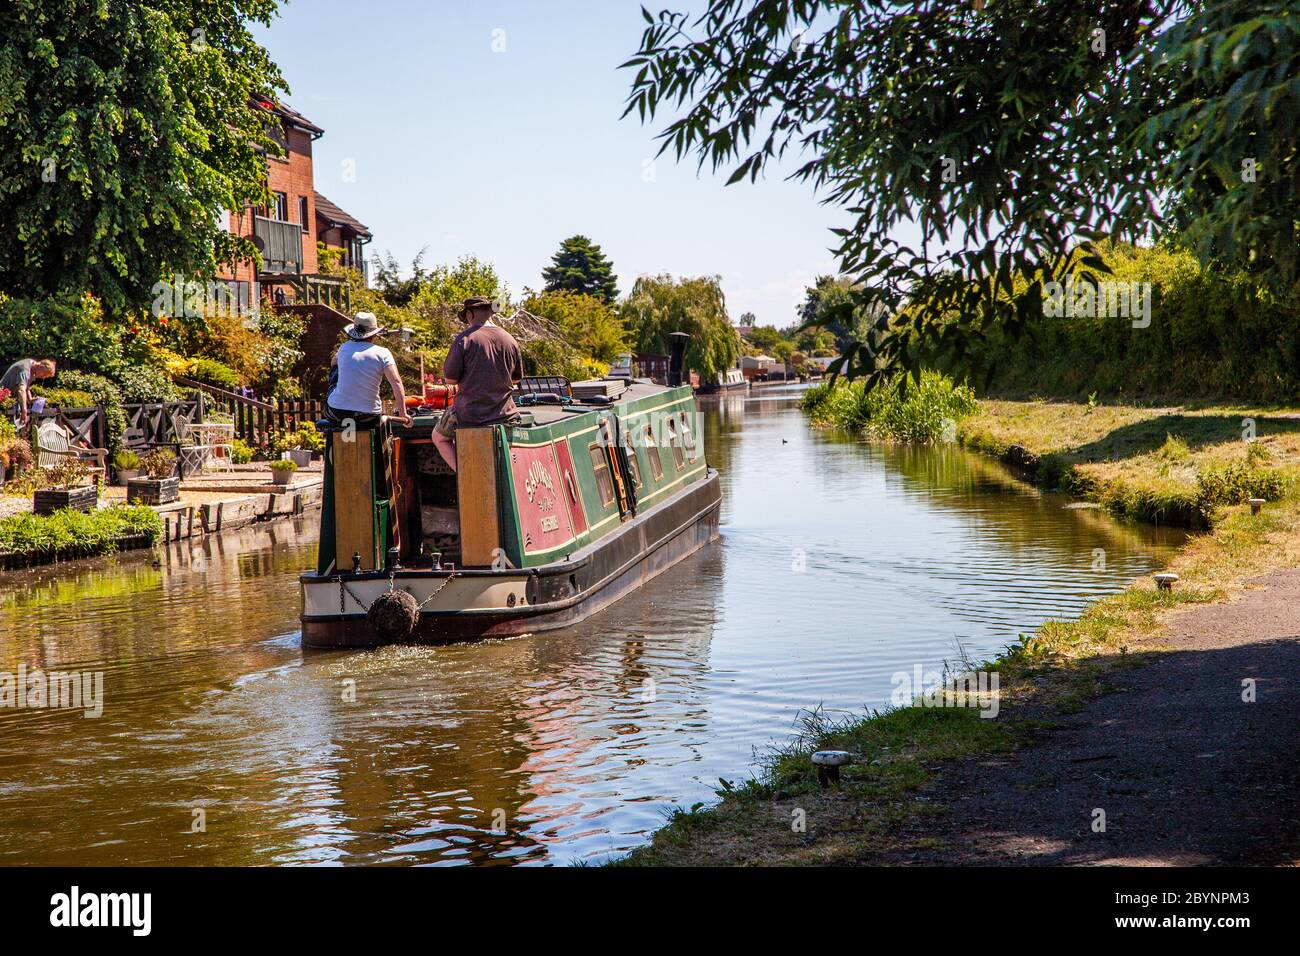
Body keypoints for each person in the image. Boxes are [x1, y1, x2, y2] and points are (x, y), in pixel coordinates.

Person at [432, 296, 523, 471]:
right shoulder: (509, 339)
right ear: (490, 313)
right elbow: (516, 379)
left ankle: (465, 474)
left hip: (470, 414)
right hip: (505, 414)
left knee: (439, 438)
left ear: (470, 314)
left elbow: (451, 380)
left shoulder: (464, 339)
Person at [326, 313, 411, 429]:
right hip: (369, 415)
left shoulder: (343, 348)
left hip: (337, 412)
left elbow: (333, 363)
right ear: (374, 334)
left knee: (336, 368)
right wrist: (403, 414)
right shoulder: (383, 353)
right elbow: (396, 382)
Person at [1, 358, 56, 429]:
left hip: (11, 400)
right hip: (4, 399)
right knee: (9, 427)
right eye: (44, 375)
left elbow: (26, 386)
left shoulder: (31, 367)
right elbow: (21, 390)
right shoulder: (25, 369)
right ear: (41, 366)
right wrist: (24, 411)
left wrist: (30, 399)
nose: (43, 377)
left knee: (15, 427)